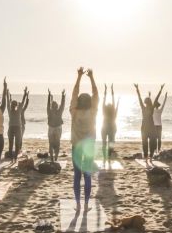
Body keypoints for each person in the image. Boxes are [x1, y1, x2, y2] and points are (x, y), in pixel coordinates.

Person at [70, 68, 99, 208]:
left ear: (78, 102)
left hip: (76, 146)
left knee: (77, 176)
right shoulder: (93, 112)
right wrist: (92, 78)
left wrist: (79, 77)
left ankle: (78, 204)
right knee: (87, 175)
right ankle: (86, 204)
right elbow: (96, 94)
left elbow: (74, 93)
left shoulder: (73, 112)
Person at [135, 83, 164, 162]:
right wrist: (160, 90)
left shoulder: (144, 108)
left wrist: (137, 89)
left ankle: (146, 157)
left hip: (144, 127)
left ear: (145, 102)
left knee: (145, 143)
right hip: (151, 127)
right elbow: (156, 99)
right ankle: (150, 156)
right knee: (152, 143)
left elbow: (140, 99)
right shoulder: (151, 108)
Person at [5, 84, 29, 159]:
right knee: (17, 144)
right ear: (16, 105)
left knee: (11, 144)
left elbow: (8, 102)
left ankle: (12, 158)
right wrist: (25, 94)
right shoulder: (19, 110)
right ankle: (15, 158)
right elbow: (23, 101)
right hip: (18, 128)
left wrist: (7, 94)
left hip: (11, 128)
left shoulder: (9, 110)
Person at [101, 84, 120, 164]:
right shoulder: (113, 112)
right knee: (111, 142)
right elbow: (114, 102)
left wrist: (105, 91)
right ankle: (108, 156)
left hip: (105, 128)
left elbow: (104, 101)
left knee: (104, 142)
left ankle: (105, 157)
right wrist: (112, 90)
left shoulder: (104, 111)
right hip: (111, 128)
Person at [46, 89, 66, 162]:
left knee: (51, 143)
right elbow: (63, 104)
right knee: (57, 143)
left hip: (51, 128)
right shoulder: (59, 111)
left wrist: (49, 96)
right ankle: (56, 157)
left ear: (52, 106)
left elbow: (48, 105)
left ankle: (51, 157)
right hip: (58, 128)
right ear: (57, 106)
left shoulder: (49, 111)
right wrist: (63, 95)